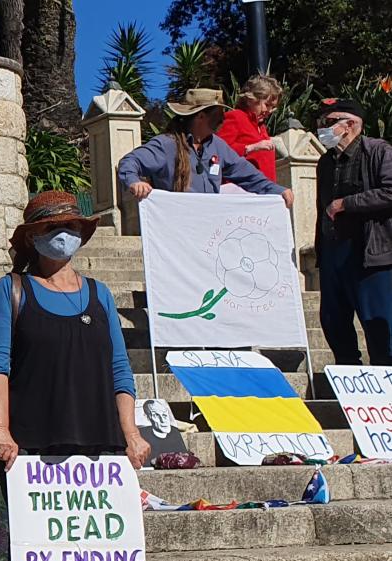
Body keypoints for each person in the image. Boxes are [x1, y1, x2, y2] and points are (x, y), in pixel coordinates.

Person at [0, 191, 149, 561]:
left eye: (71, 227)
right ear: (33, 238)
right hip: (30, 450)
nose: (64, 235)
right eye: (53, 228)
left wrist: (131, 434)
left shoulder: (99, 294)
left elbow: (119, 370)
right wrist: (1, 430)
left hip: (97, 450)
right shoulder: (11, 290)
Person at [314, 98, 392, 366]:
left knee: (378, 322)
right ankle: (349, 374)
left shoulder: (378, 151)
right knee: (333, 319)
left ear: (349, 124)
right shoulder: (325, 162)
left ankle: (386, 378)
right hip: (334, 250)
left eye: (329, 122)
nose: (322, 128)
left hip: (369, 251)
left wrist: (347, 203)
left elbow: (390, 191)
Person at [119, 88, 293, 207]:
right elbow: (129, 162)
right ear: (201, 116)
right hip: (174, 233)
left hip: (208, 229)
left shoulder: (218, 146)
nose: (223, 118)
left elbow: (248, 175)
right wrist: (135, 182)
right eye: (218, 114)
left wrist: (278, 190)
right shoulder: (166, 144)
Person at [216, 75, 283, 182]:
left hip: (265, 191)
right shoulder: (236, 117)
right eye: (266, 104)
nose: (269, 111)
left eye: (272, 107)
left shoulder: (261, 127)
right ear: (250, 100)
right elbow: (218, 150)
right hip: (242, 191)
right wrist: (250, 148)